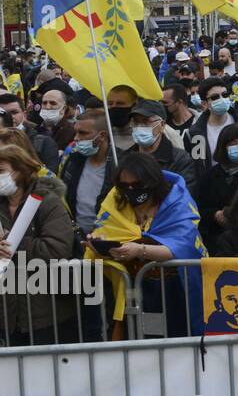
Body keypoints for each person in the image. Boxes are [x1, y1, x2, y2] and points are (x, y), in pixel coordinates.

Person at [85, 153, 207, 338]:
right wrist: (99, 242)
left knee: (179, 342)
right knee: (143, 341)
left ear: (152, 182)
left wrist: (139, 249)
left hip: (177, 289)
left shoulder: (177, 202)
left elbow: (180, 247)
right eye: (125, 186)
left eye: (137, 185)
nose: (131, 190)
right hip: (135, 290)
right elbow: (106, 228)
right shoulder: (117, 198)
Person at [0, 144, 78, 345]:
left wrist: (12, 244)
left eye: (1, 171)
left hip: (46, 310)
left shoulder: (47, 202)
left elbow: (56, 248)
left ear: (21, 171)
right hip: (6, 314)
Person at [194, 123, 238, 247]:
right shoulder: (209, 176)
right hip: (215, 239)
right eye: (233, 143)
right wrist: (215, 214)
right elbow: (198, 207)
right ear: (224, 146)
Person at [59, 108, 117, 239]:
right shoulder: (73, 160)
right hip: (75, 236)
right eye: (76, 133)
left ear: (102, 136)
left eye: (82, 133)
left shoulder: (119, 164)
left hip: (107, 238)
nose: (76, 138)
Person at [126, 100, 198, 191]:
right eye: (136, 122)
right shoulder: (125, 158)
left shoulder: (180, 160)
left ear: (162, 125)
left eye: (146, 121)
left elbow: (183, 195)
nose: (140, 126)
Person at [0, 92, 60, 172]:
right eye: (4, 114)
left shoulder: (44, 143)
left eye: (14, 112)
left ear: (24, 115)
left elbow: (49, 179)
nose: (10, 117)